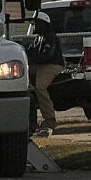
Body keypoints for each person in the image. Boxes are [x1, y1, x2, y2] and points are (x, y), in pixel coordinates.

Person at [23, 10, 63, 138]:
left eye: (37, 23)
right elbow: (30, 52)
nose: (34, 26)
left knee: (40, 87)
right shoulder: (38, 38)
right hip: (42, 65)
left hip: (53, 65)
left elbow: (47, 56)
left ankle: (50, 120)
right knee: (21, 71)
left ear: (44, 24)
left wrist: (31, 59)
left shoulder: (50, 37)